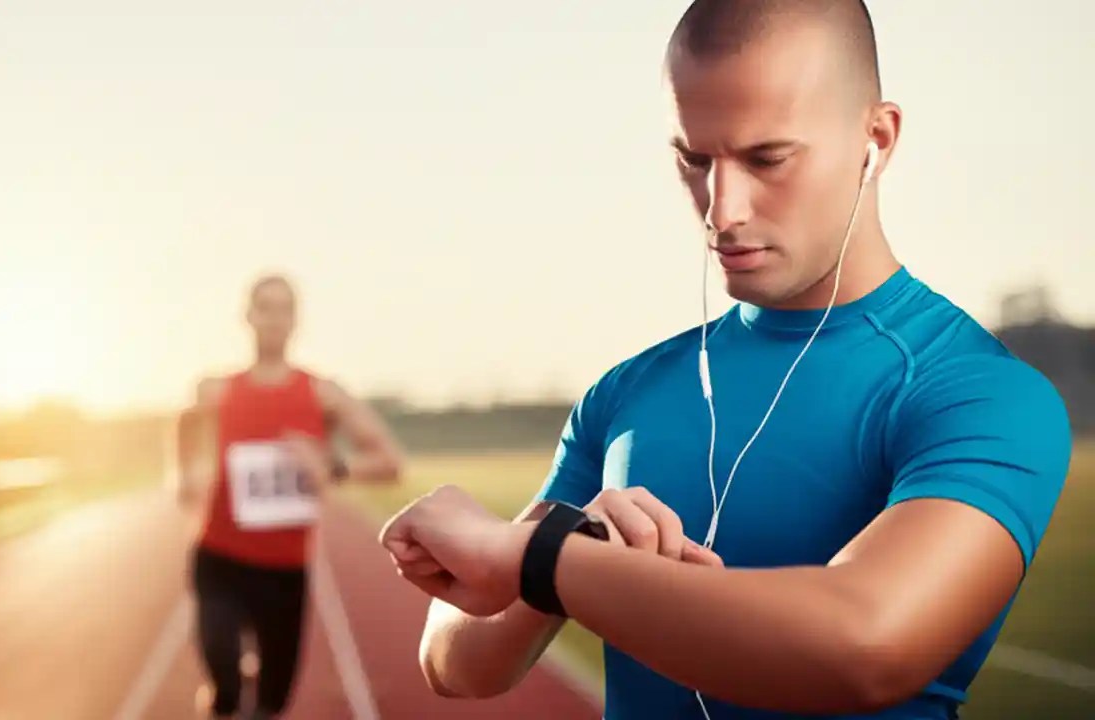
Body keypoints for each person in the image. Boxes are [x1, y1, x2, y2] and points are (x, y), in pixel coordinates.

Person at [379, 2, 1072, 719]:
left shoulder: (979, 393)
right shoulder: (626, 392)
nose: (721, 210)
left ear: (877, 138)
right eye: (694, 160)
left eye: (766, 158)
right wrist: (574, 537)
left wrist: (538, 557)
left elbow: (866, 647)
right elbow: (457, 663)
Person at [178, 272, 405, 720]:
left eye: (284, 309)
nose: (274, 319)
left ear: (295, 320)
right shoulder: (217, 390)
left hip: (285, 571)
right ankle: (224, 692)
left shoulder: (323, 395)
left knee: (271, 705)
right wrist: (183, 471)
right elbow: (185, 421)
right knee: (224, 692)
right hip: (219, 557)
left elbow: (389, 462)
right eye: (265, 307)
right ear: (248, 316)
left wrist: (333, 466)